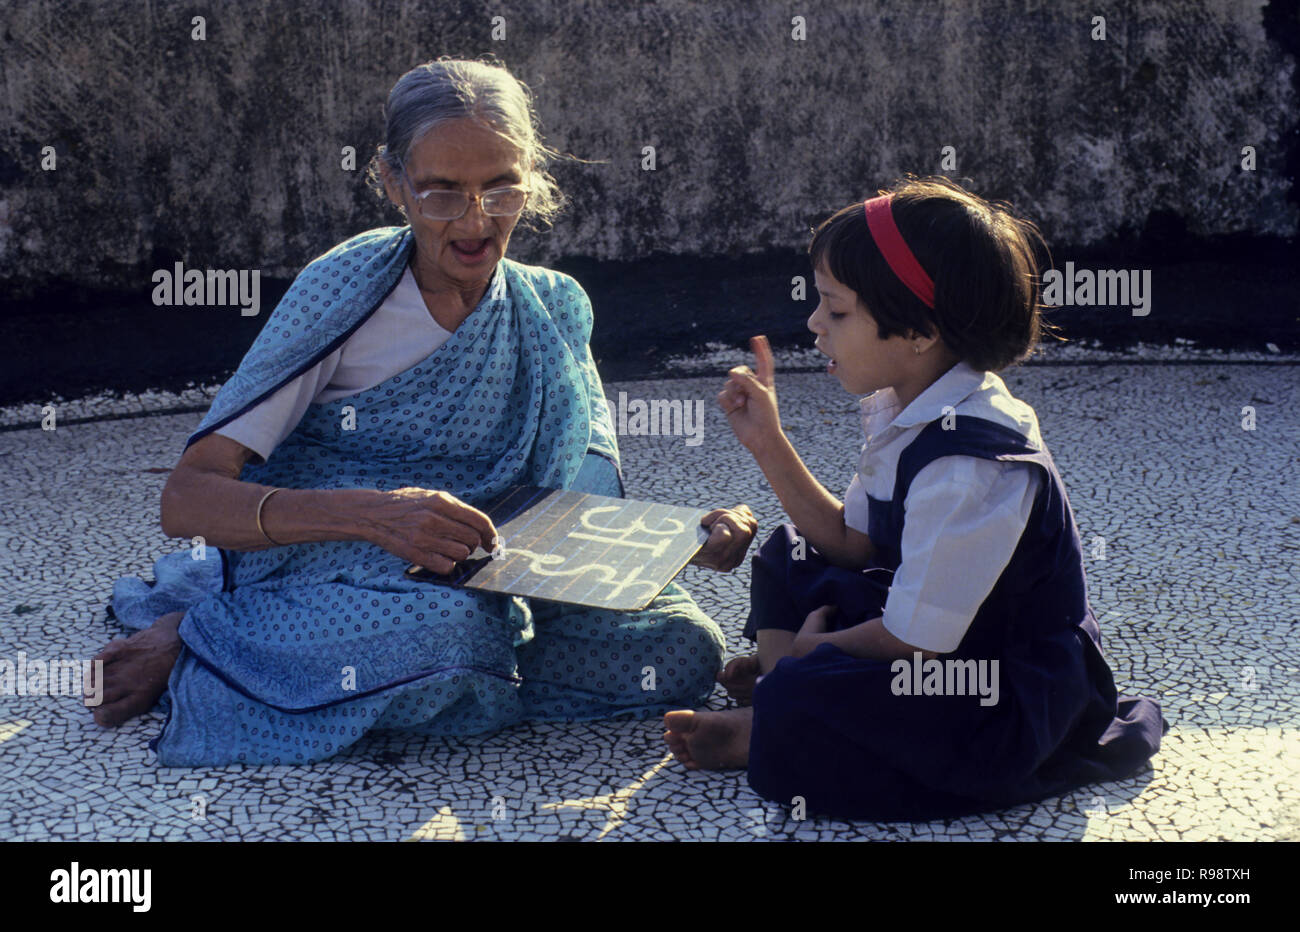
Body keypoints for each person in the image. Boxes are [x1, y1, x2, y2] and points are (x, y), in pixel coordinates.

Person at [96, 58, 755, 766]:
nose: (475, 223)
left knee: (683, 649)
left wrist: (682, 538)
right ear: (393, 184)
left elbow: (577, 506)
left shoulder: (553, 305)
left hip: (490, 564)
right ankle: (207, 634)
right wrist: (379, 517)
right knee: (450, 635)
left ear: (531, 179)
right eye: (442, 193)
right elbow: (189, 498)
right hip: (335, 554)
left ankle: (376, 670)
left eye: (501, 189)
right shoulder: (346, 293)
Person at [663, 177, 1165, 820]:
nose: (814, 324)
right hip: (932, 628)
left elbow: (916, 644)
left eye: (837, 311)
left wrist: (820, 651)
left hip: (990, 678)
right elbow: (852, 542)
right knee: (789, 553)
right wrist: (768, 441)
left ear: (921, 331)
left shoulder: (970, 467)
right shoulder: (909, 407)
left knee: (812, 687)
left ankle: (773, 714)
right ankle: (783, 695)